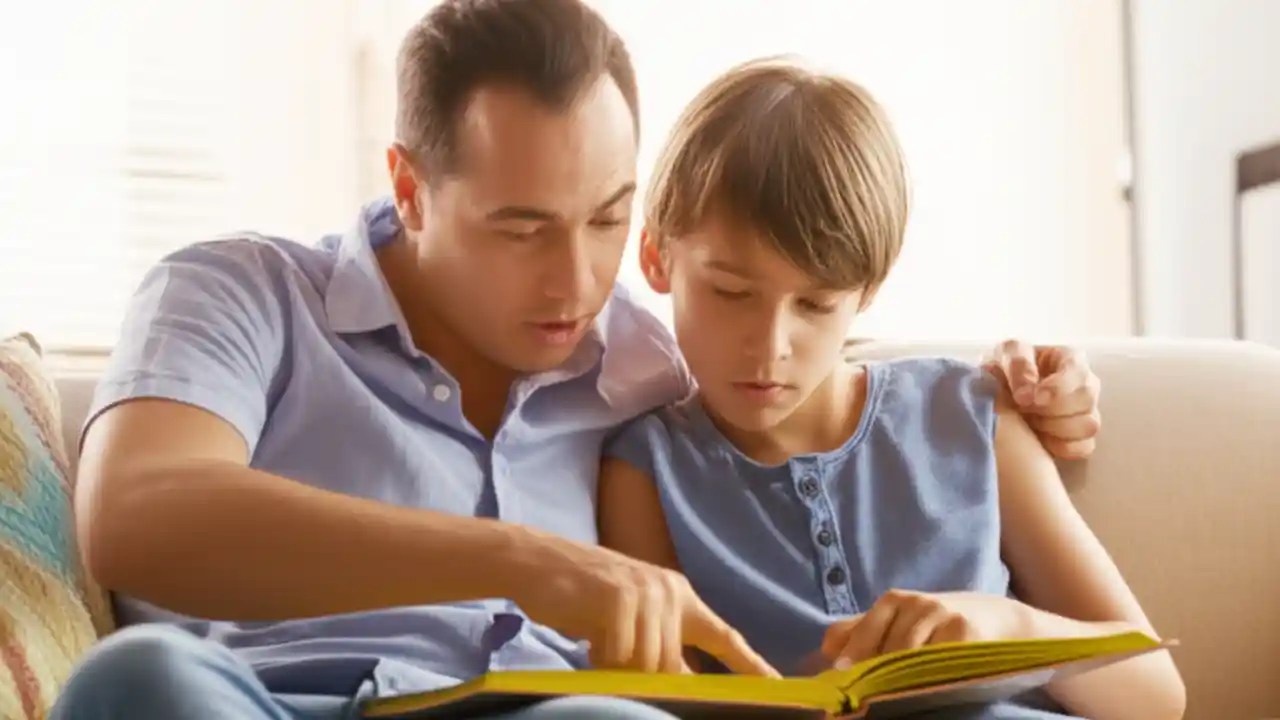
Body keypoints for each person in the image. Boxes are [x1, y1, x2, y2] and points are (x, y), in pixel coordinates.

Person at [54, 1, 1103, 719]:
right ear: (409, 188)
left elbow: (797, 354)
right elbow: (136, 515)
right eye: (520, 229)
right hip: (264, 697)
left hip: (546, 710)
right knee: (139, 679)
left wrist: (1019, 388)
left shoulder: (643, 362)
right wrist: (527, 562)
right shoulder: (239, 293)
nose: (576, 282)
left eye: (607, 219)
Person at [595, 57, 1184, 720]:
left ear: (868, 290)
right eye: (731, 292)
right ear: (657, 257)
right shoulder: (645, 471)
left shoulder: (974, 418)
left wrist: (1004, 628)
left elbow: (1156, 694)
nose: (770, 345)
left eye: (816, 305)